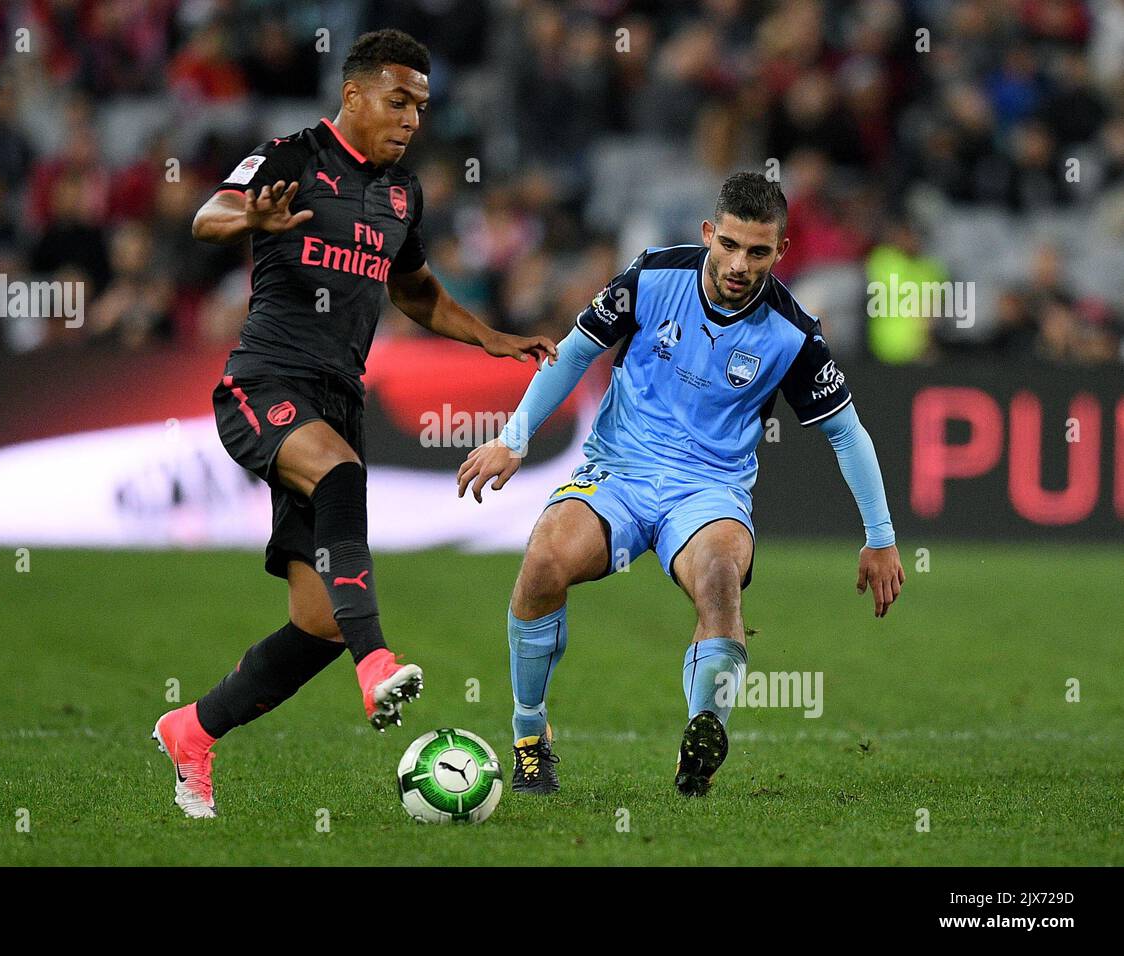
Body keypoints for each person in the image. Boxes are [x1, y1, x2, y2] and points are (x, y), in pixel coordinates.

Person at [153, 30, 555, 819]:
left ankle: (191, 732)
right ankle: (377, 665)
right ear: (355, 93)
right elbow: (208, 216)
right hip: (262, 382)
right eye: (399, 100)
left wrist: (492, 337)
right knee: (340, 474)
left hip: (338, 398)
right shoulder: (291, 155)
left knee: (314, 623)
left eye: (422, 106)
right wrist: (250, 222)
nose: (411, 118)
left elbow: (417, 293)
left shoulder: (404, 194)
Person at [458, 172, 904, 797]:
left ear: (780, 252)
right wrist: (514, 437)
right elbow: (577, 353)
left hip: (709, 491)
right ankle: (531, 735)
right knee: (542, 562)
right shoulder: (651, 277)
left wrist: (880, 537)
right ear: (707, 234)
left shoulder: (794, 334)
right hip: (618, 473)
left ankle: (702, 736)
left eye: (757, 252)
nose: (739, 264)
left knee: (720, 584)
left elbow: (847, 433)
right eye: (729, 244)